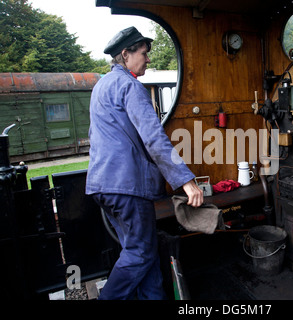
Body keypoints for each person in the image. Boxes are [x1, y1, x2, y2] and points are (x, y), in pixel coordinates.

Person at [85, 26, 203, 300]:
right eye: (143, 53)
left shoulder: (101, 85)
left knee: (140, 251)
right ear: (125, 55)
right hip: (126, 187)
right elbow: (154, 138)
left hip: (103, 185)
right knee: (141, 252)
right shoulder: (129, 86)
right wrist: (187, 182)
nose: (148, 59)